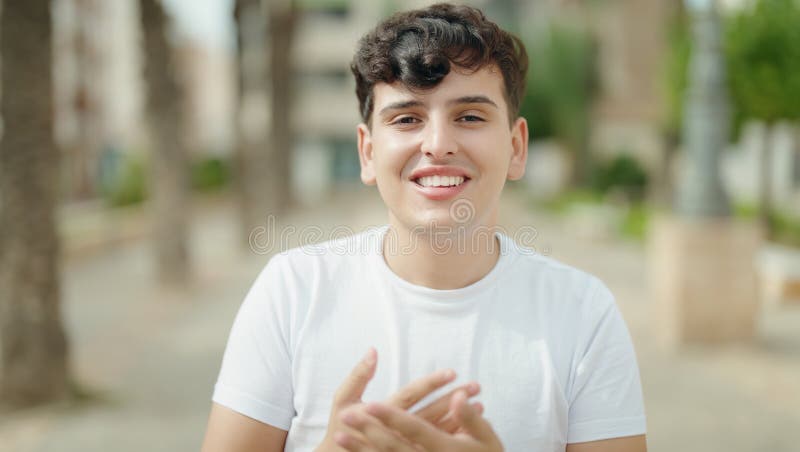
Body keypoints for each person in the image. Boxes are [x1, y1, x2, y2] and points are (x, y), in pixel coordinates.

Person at [201, 3, 647, 451]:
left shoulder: (583, 314)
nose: (438, 145)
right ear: (367, 152)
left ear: (516, 147)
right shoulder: (294, 292)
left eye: (469, 116)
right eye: (407, 119)